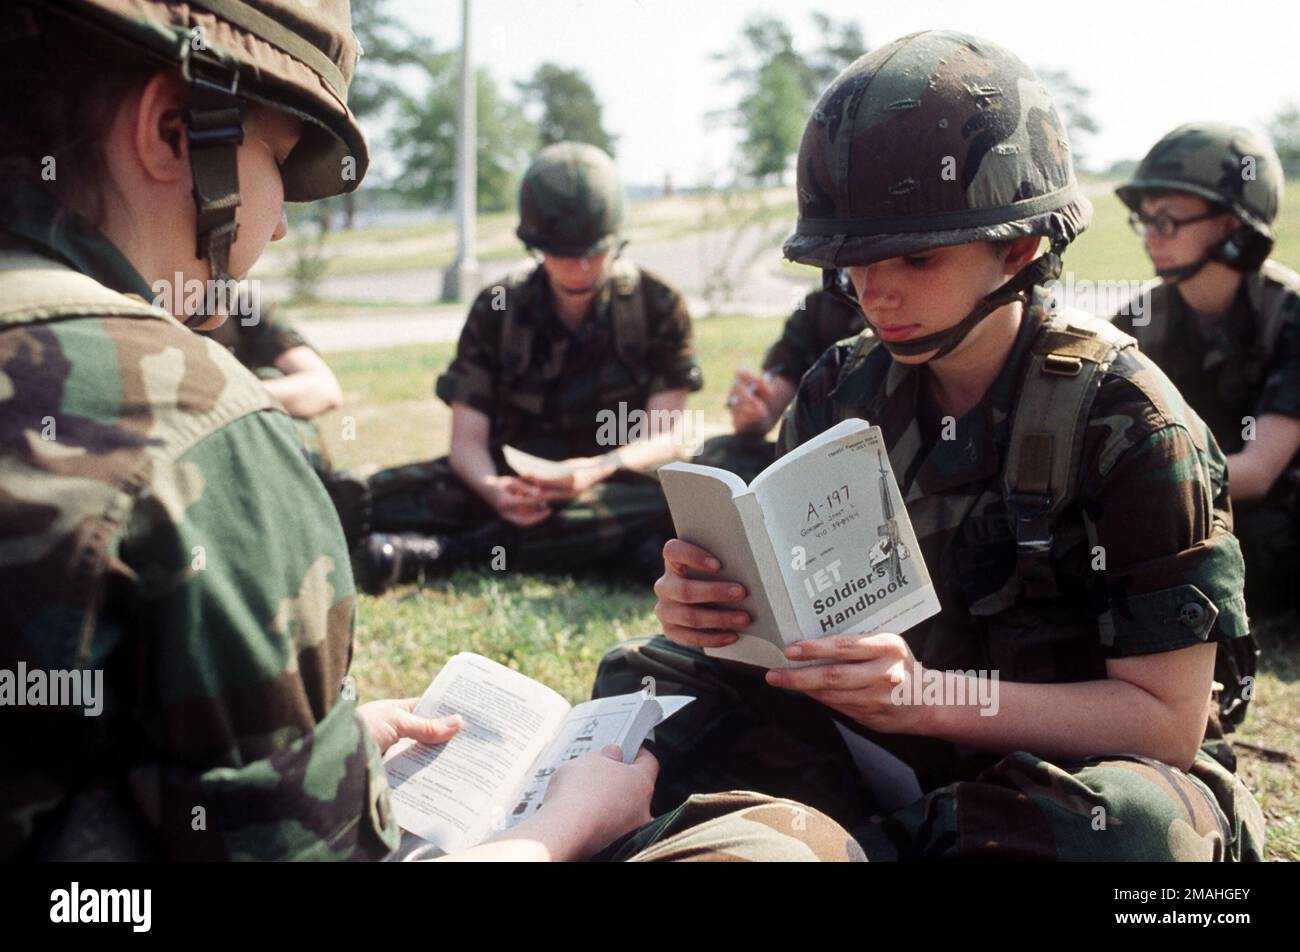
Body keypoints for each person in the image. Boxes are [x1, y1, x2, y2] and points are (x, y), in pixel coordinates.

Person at [0, 0, 856, 864]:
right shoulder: (197, 426)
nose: (284, 220)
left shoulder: (655, 309)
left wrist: (584, 475)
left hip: (601, 484)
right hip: (503, 491)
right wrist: (566, 825)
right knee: (792, 845)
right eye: (280, 162)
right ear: (171, 131)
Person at [591, 30, 1266, 861]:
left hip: (1067, 770)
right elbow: (803, 623)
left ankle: (814, 843)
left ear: (1018, 248)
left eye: (914, 255)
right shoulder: (841, 388)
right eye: (851, 263)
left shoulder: (1130, 422)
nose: (875, 291)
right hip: (882, 749)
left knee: (1141, 832)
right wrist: (716, 614)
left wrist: (925, 698)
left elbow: (1166, 721)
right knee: (646, 679)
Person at [335, 142, 704, 594]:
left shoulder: (657, 305)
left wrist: (593, 469)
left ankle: (452, 554)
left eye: (595, 251)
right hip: (513, 481)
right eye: (564, 253)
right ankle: (606, 551)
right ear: (535, 247)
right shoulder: (499, 307)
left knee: (671, 501)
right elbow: (467, 440)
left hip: (613, 481)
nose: (582, 266)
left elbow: (665, 435)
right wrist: (493, 489)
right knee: (380, 497)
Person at [1111, 122, 1300, 617]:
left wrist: (1136, 493)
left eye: (1169, 220)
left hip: (1270, 513)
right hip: (1192, 506)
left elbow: (1258, 473)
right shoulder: (1139, 321)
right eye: (1146, 220)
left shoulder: (1290, 316)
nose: (1152, 236)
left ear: (1234, 226)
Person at [693, 286, 864, 484]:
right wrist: (754, 410)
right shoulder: (819, 306)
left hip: (873, 463)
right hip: (814, 461)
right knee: (716, 457)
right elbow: (778, 385)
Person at [202, 283, 342, 476]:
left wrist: (228, 398)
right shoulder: (152, 319)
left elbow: (325, 389)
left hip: (254, 451)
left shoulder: (240, 306)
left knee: (275, 391)